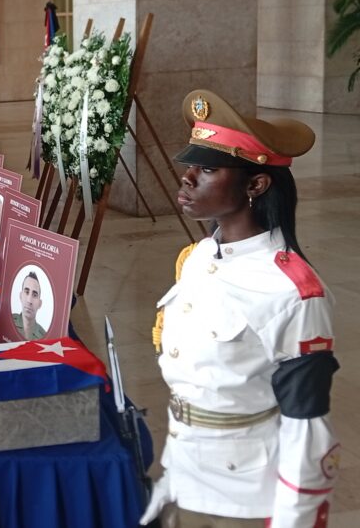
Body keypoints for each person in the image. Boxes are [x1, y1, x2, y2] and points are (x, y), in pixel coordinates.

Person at [142, 90, 337, 527]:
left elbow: (306, 428)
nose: (187, 178)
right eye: (190, 165)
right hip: (184, 473)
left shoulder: (292, 291)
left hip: (246, 499)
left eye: (208, 169)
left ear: (256, 184)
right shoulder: (197, 258)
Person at [10, 271, 46, 341]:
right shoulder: (9, 321)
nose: (29, 301)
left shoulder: (44, 337)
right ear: (20, 296)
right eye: (27, 292)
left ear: (40, 303)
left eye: (35, 295)